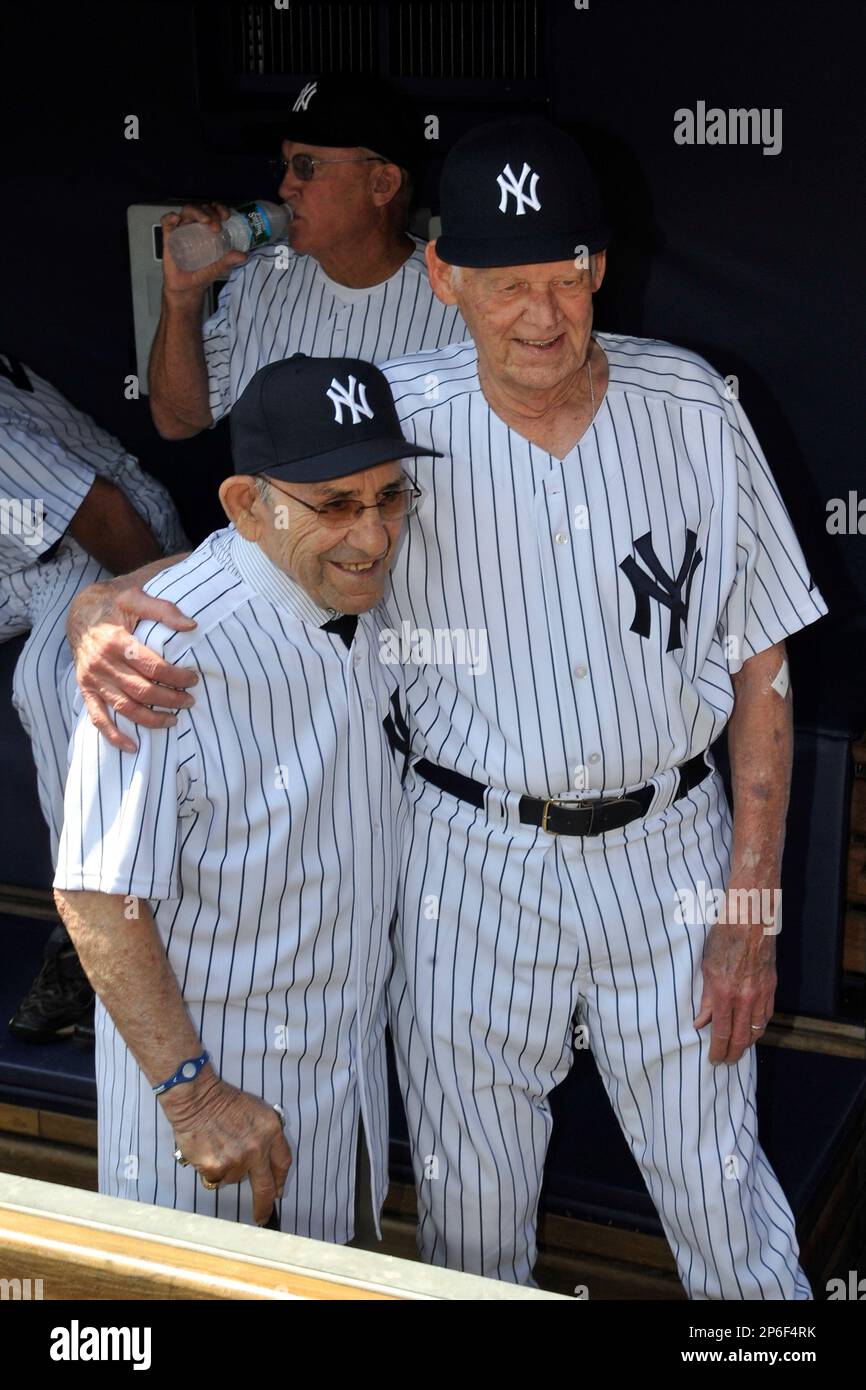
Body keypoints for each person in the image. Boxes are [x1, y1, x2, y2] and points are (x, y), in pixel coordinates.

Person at [66, 118, 827, 1299]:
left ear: (600, 269)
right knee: (470, 1227)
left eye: (564, 275)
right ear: (441, 278)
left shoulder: (693, 406)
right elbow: (258, 540)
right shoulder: (393, 422)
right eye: (506, 282)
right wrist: (100, 604)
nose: (540, 313)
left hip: (672, 856)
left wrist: (753, 905)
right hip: (466, 863)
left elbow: (760, 665)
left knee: (721, 1195)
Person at [52, 355, 427, 1237]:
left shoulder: (359, 586)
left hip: (348, 1086)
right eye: (334, 504)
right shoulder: (156, 652)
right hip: (215, 1112)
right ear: (246, 505)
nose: (372, 535)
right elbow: (97, 894)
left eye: (390, 496)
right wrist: (192, 1095)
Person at [0, 353, 187, 1042]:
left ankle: (95, 936)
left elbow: (101, 511)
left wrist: (144, 613)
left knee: (53, 683)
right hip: (16, 556)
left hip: (92, 545)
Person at [149, 75, 468, 442]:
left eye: (305, 166)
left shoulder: (458, 305)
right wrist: (182, 298)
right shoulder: (259, 278)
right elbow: (178, 421)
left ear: (382, 184)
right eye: (283, 164)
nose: (286, 187)